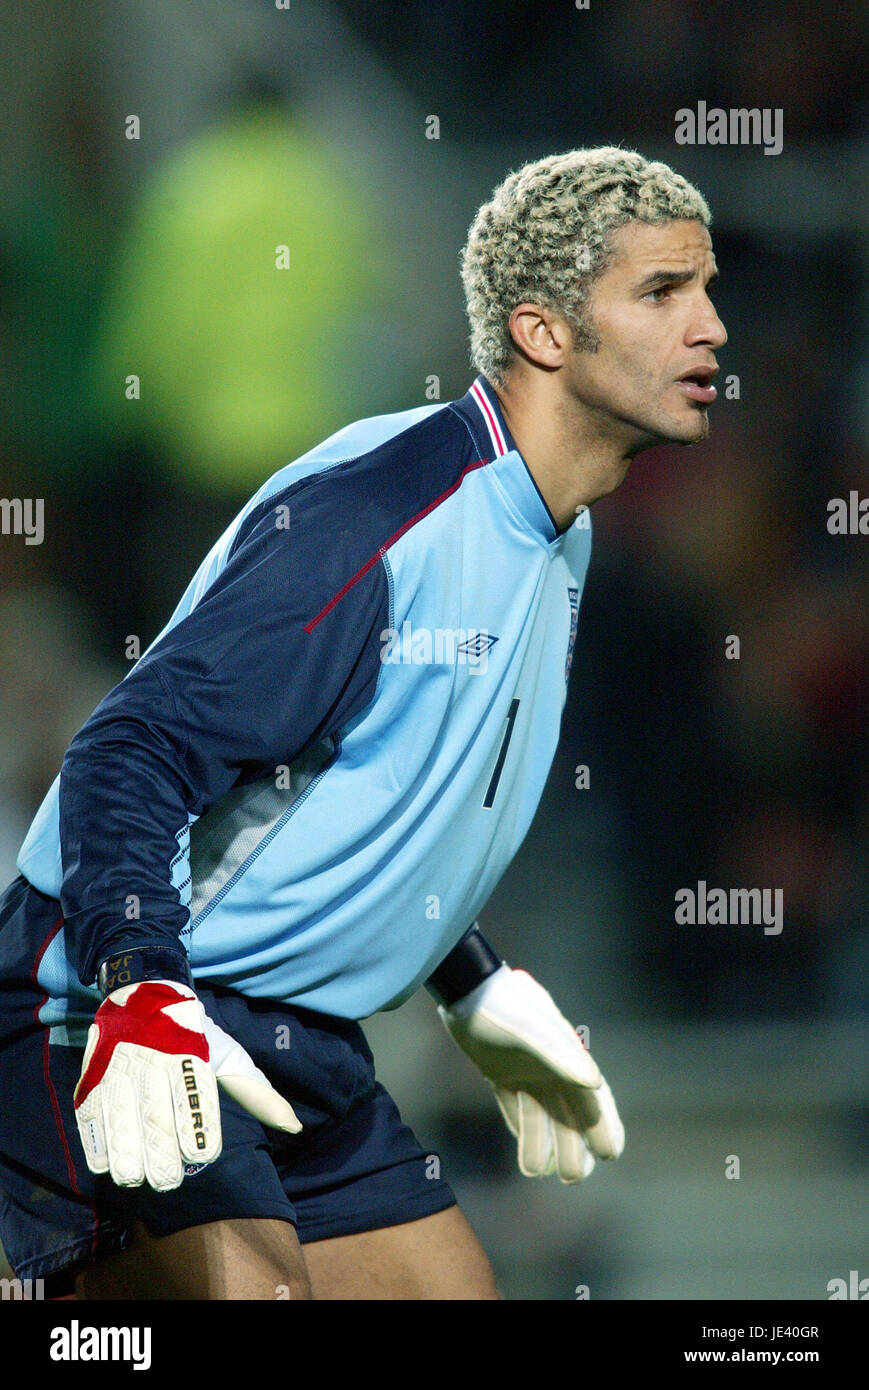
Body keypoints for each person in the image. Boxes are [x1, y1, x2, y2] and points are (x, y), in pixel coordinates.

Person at [0, 146, 726, 1300]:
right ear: (542, 333)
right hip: (126, 1011)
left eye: (705, 286)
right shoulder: (377, 519)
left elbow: (371, 785)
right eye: (661, 292)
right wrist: (137, 987)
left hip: (305, 1042)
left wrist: (470, 975)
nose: (711, 328)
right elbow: (123, 755)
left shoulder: (556, 529)